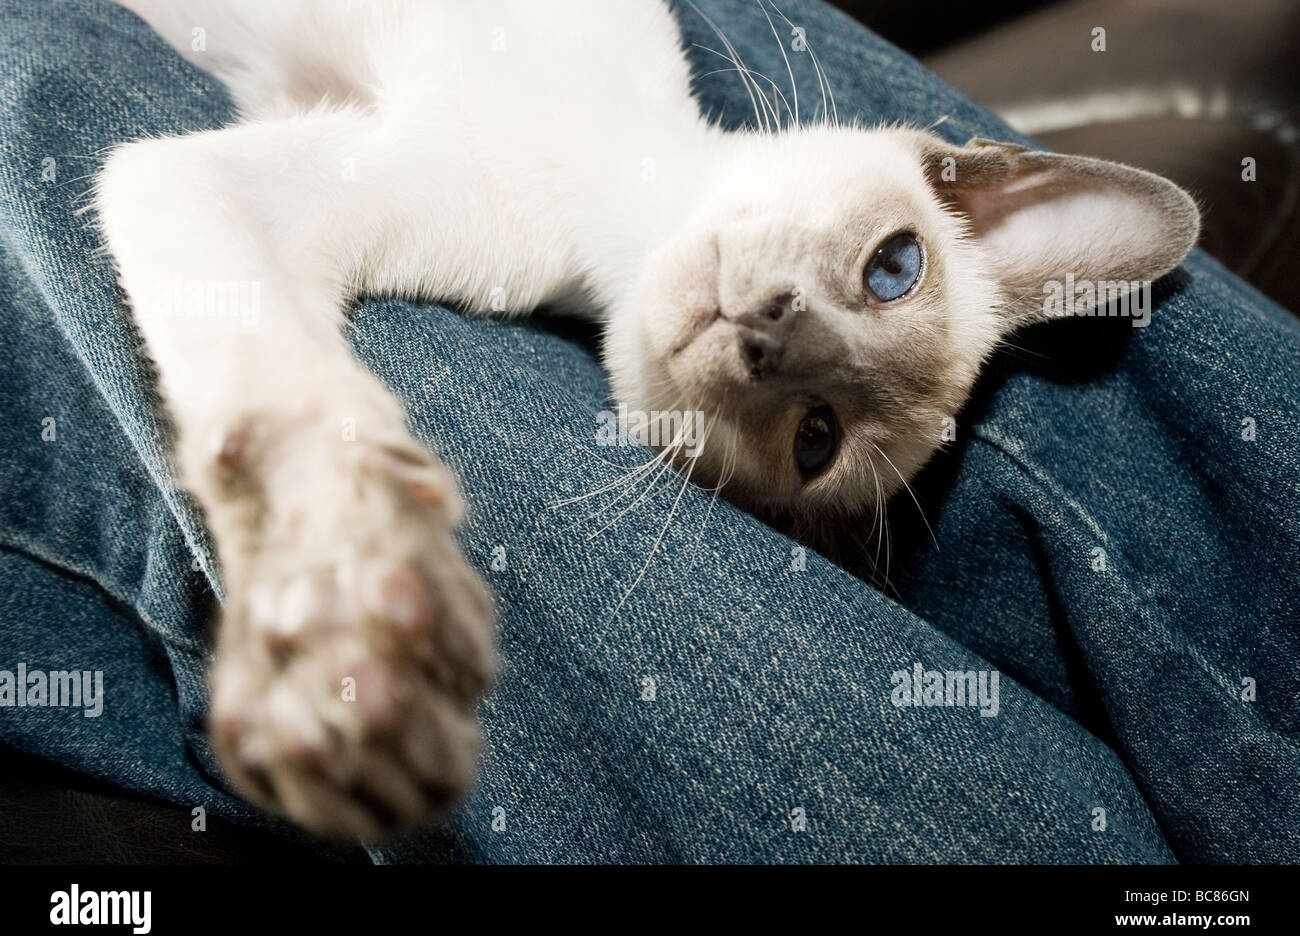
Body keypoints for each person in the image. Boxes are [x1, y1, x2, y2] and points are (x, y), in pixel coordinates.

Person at [0, 0, 1294, 863]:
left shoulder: (495, 238)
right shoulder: (661, 49)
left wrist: (298, 476)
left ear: (757, 527)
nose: (790, 344)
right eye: (893, 267)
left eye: (812, 438)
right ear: (957, 182)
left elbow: (177, 190)